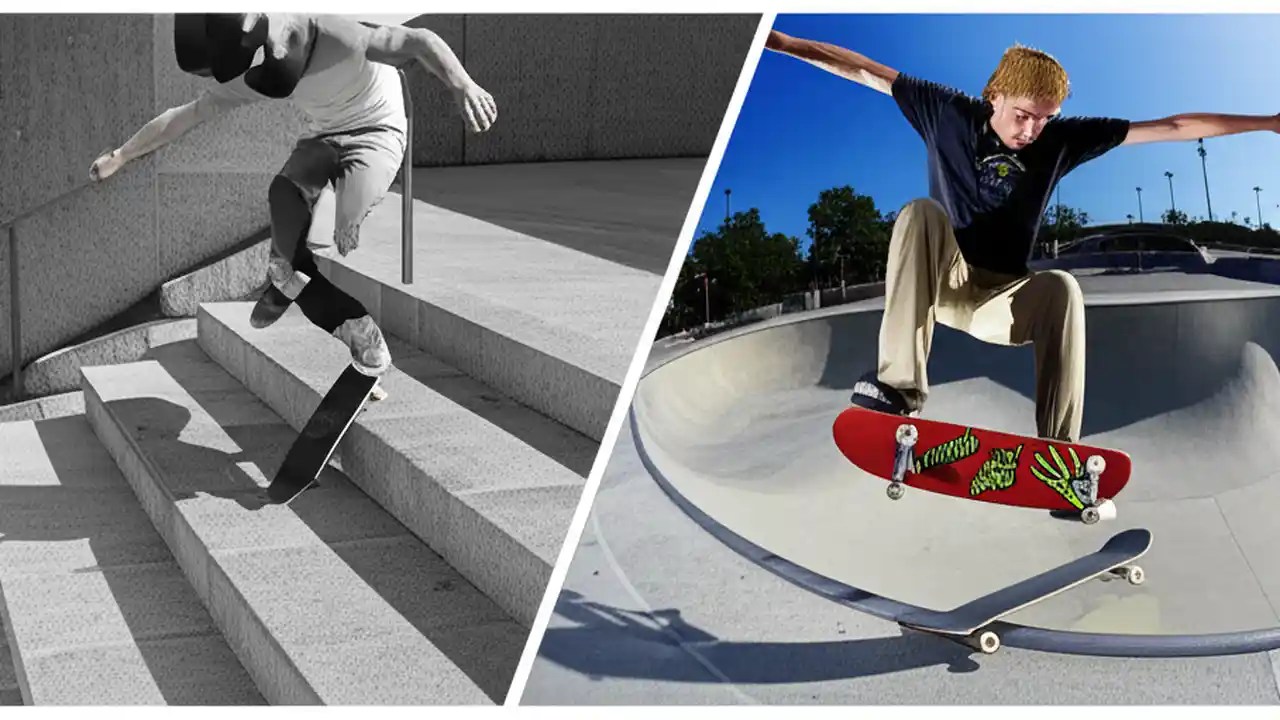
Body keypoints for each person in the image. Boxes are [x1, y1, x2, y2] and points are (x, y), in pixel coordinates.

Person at [764, 28, 1279, 442]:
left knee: (1061, 287)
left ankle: (1058, 450)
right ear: (995, 94)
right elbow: (861, 68)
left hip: (1004, 303)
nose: (1031, 130)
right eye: (1023, 115)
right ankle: (898, 389)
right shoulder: (944, 111)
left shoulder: (1061, 141)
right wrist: (780, 42)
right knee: (921, 213)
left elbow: (1172, 127)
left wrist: (1270, 122)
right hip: (946, 283)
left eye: (1044, 119)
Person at [90, 14, 497, 398]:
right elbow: (183, 117)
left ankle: (314, 252)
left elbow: (419, 41)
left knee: (346, 219)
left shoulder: (342, 32)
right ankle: (353, 327)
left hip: (379, 133)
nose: (283, 59)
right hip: (323, 138)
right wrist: (123, 155)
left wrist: (462, 83)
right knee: (283, 238)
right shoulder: (251, 74)